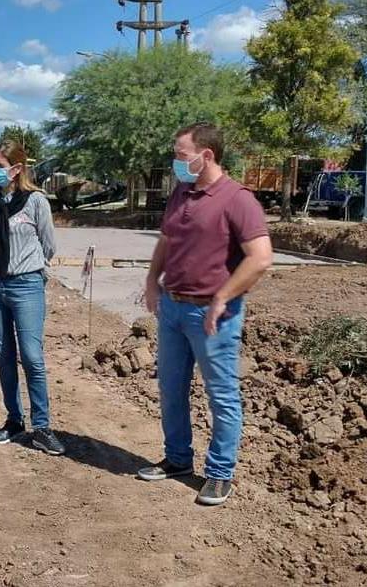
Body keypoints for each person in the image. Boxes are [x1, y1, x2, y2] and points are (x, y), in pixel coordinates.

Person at [139, 123, 273, 507]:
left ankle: (219, 473)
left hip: (213, 317)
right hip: (173, 309)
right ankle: (178, 459)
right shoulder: (181, 192)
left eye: (181, 155)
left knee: (222, 396)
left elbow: (260, 258)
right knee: (171, 388)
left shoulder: (237, 199)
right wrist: (153, 278)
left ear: (206, 155)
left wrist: (222, 297)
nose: (176, 162)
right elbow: (167, 238)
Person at [0, 140, 64, 456]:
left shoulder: (36, 201)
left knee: (32, 356)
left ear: (17, 168)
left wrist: (28, 266)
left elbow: (49, 245)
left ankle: (42, 427)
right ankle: (14, 421)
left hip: (26, 285)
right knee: (4, 355)